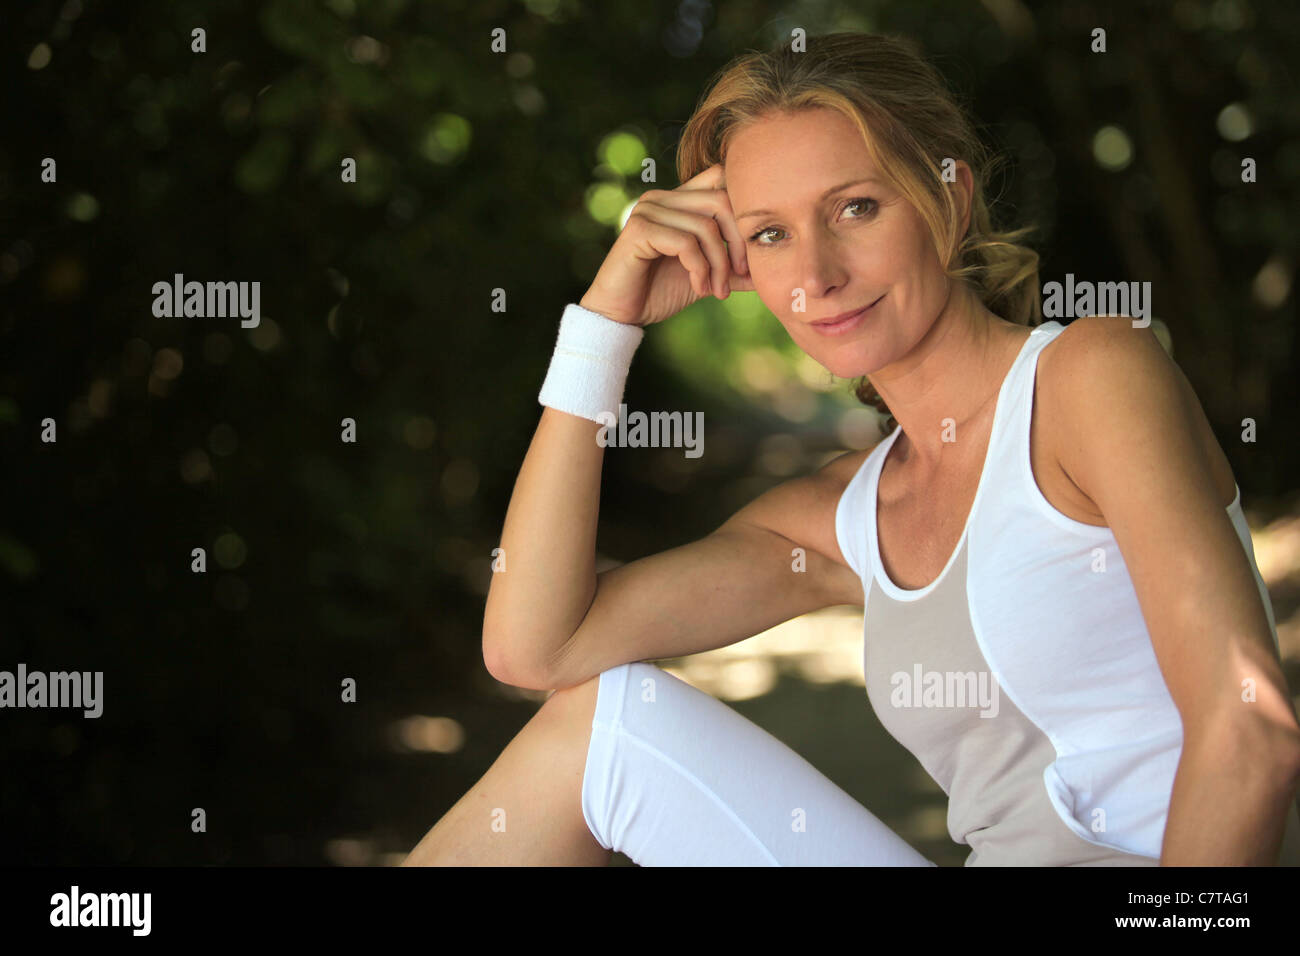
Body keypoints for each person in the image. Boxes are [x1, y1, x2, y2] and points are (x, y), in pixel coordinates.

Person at [402, 32, 1300, 866]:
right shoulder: (839, 520)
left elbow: (1250, 726)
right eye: (770, 234)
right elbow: (537, 650)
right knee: (596, 727)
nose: (817, 274)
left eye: (856, 208)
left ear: (948, 197)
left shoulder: (1088, 377)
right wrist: (605, 323)